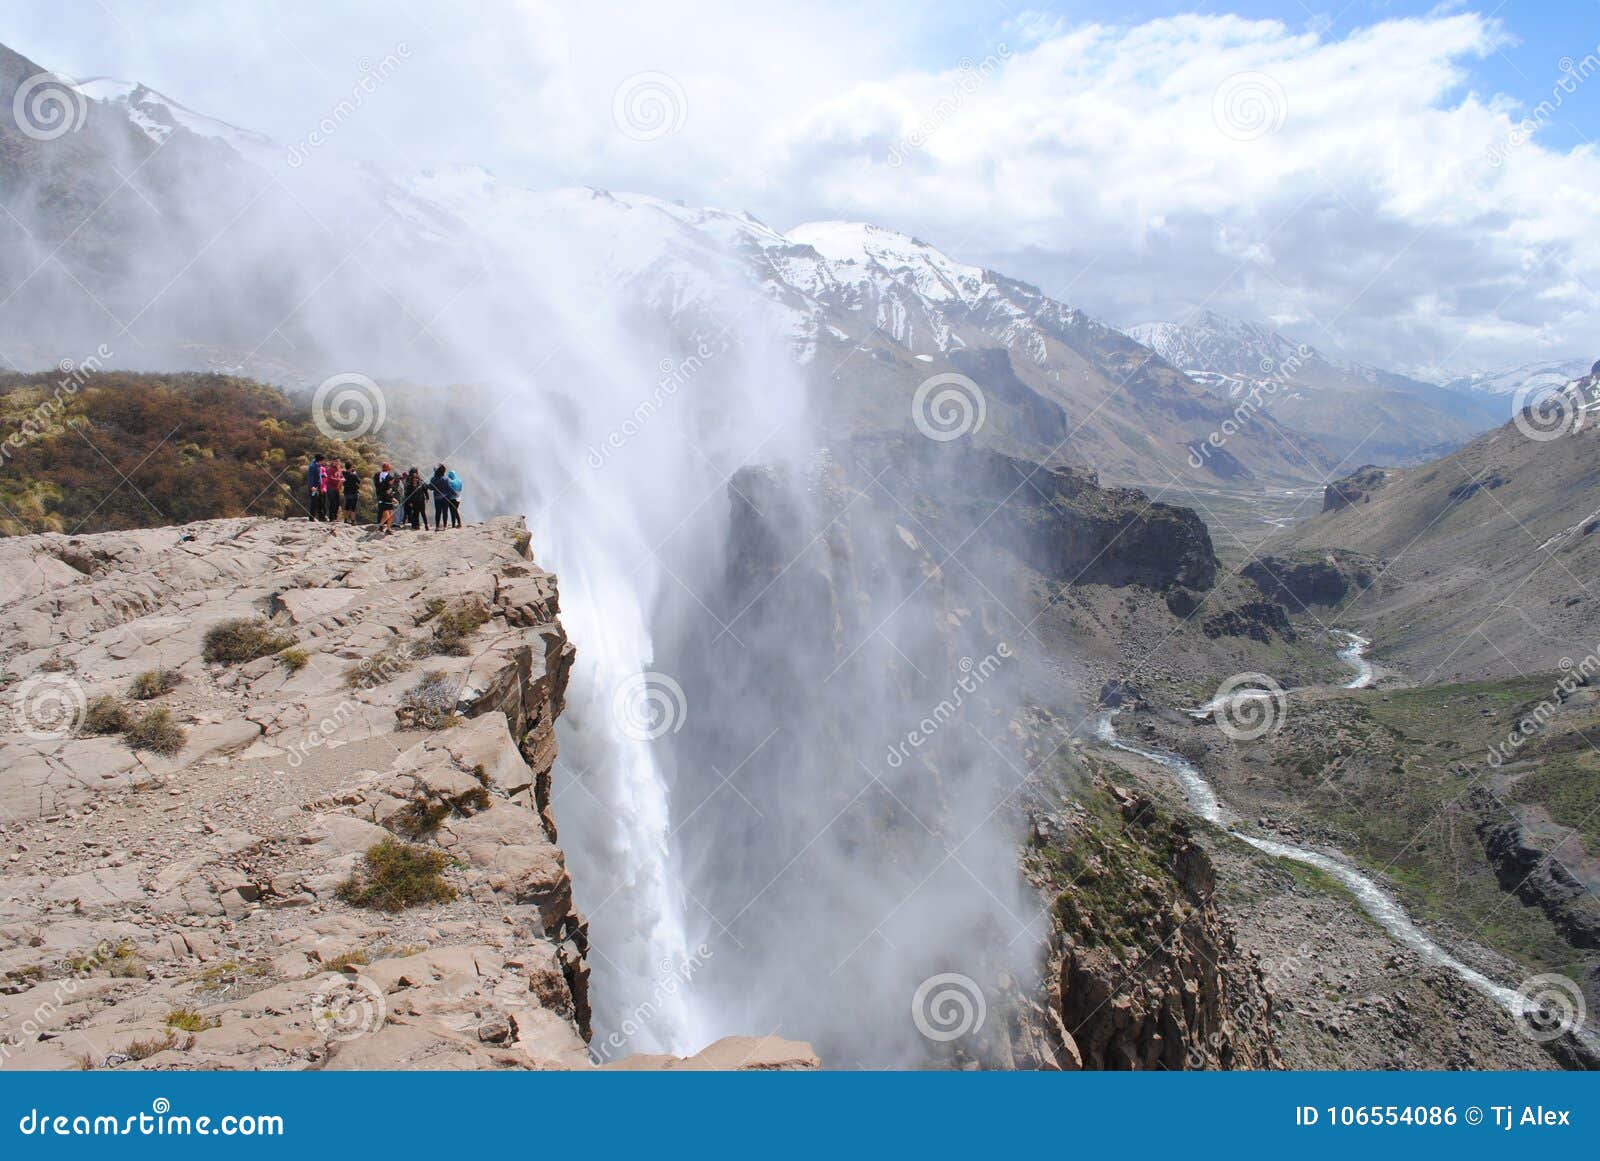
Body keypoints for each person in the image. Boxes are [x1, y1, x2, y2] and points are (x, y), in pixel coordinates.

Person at [402, 467, 430, 531]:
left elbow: (425, 489)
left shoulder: (412, 481)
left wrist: (427, 497)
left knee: (419, 513)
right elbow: (408, 492)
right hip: (415, 500)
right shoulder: (418, 481)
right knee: (416, 513)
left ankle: (420, 525)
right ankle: (416, 525)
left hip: (418, 500)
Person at [374, 462, 398, 534]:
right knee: (388, 515)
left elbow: (383, 488)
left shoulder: (378, 475)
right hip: (386, 498)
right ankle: (385, 527)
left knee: (388, 514)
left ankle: (385, 527)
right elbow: (389, 488)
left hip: (383, 497)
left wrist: (392, 497)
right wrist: (392, 495)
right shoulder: (389, 477)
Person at [430, 464, 452, 532]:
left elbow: (431, 488)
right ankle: (445, 526)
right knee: (445, 512)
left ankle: (437, 527)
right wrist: (454, 494)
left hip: (437, 498)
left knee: (438, 512)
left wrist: (426, 486)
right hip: (445, 498)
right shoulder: (446, 479)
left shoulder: (433, 479)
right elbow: (449, 488)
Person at [305, 454, 325, 521]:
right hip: (314, 487)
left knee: (320, 501)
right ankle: (311, 517)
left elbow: (318, 475)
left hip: (318, 486)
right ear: (320, 461)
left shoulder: (318, 465)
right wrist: (312, 487)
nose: (323, 462)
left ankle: (321, 517)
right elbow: (310, 477)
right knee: (314, 502)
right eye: (322, 461)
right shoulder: (312, 466)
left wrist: (322, 476)